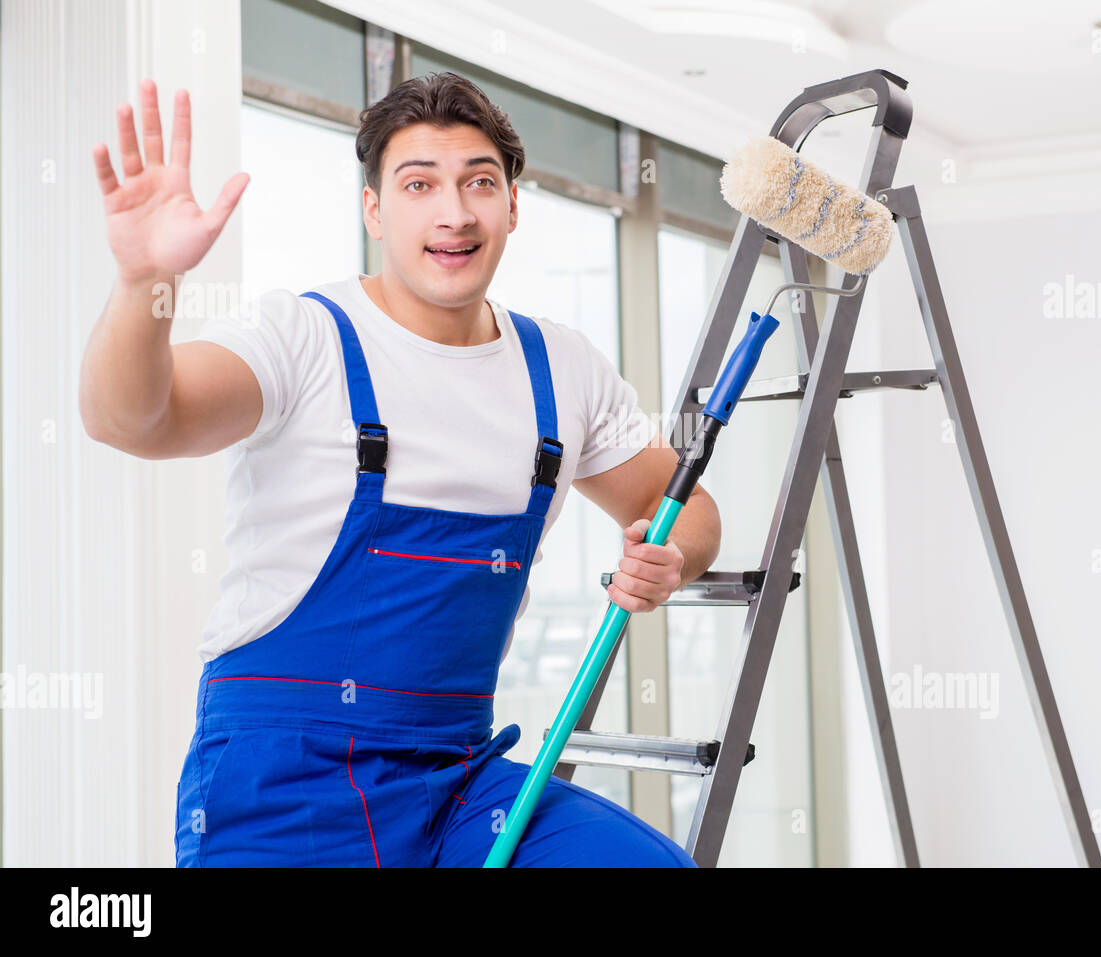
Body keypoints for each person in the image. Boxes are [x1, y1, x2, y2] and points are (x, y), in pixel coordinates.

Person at [80, 71, 721, 867]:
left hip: (458, 783)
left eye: (479, 183)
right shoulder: (303, 337)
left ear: (512, 207)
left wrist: (671, 556)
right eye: (419, 184)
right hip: (282, 787)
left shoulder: (562, 368)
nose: (453, 213)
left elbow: (687, 508)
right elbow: (131, 418)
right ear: (375, 210)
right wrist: (145, 282)